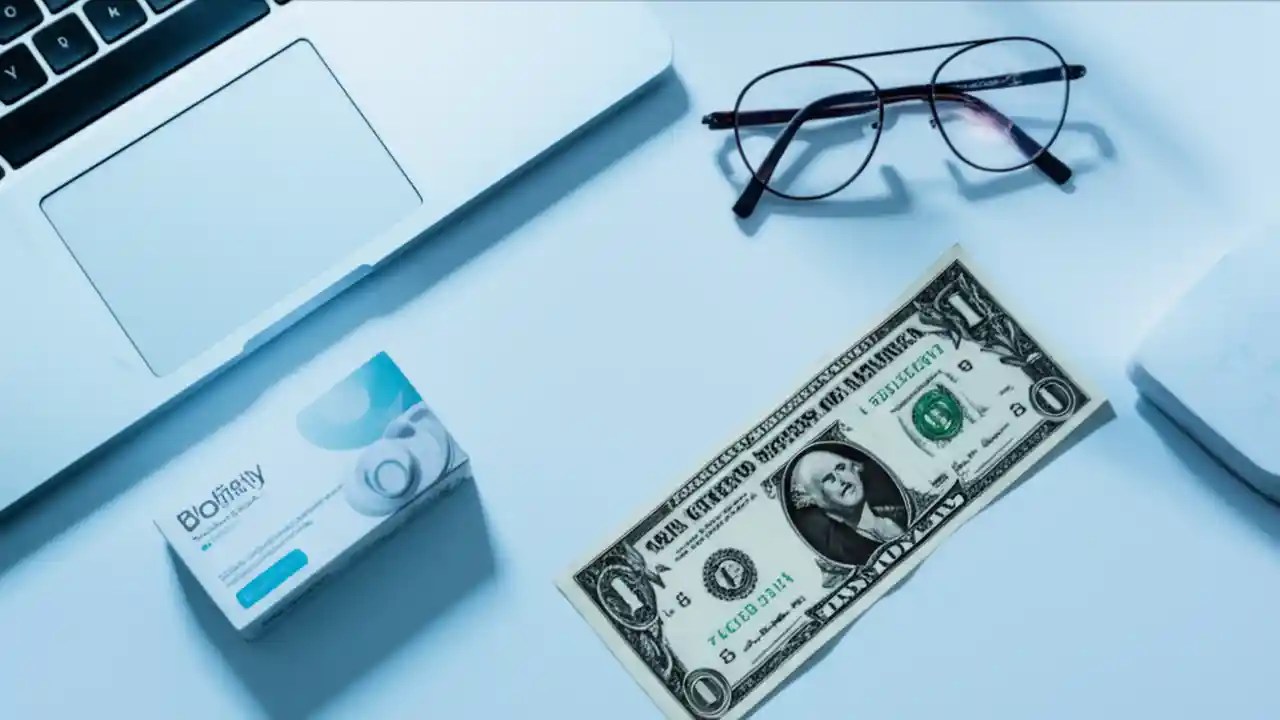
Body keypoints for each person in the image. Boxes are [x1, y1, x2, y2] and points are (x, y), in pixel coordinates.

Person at [789, 448, 905, 566]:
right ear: (819, 499)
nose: (840, 480)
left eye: (841, 468)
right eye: (828, 479)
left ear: (855, 468)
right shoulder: (844, 553)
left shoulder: (900, 512)